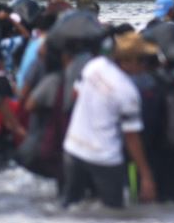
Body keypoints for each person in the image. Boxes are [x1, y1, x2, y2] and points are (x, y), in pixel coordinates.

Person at [61, 31, 158, 209]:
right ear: (128, 61)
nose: (145, 65)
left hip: (74, 147)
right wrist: (146, 175)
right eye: (142, 60)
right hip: (105, 158)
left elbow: (75, 97)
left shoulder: (94, 66)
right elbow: (132, 138)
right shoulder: (128, 92)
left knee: (69, 206)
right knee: (114, 213)